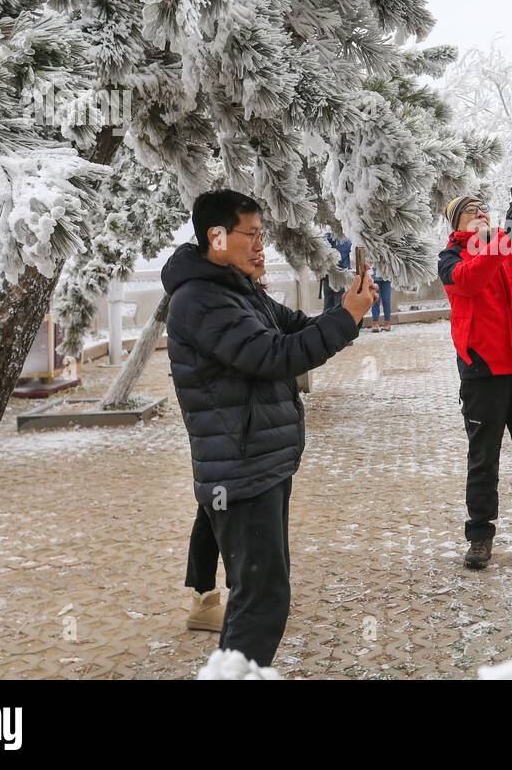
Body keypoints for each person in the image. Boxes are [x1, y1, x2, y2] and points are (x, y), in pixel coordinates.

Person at [163, 189, 376, 665]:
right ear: (216, 237)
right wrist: (347, 318)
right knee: (261, 601)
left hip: (260, 460)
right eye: (252, 235)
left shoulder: (237, 289)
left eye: (263, 235)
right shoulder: (201, 301)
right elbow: (275, 357)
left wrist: (346, 311)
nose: (261, 246)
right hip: (241, 468)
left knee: (256, 594)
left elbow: (296, 328)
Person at [439, 193, 512, 569]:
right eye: (470, 212)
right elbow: (472, 281)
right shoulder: (451, 259)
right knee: (483, 458)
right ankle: (479, 536)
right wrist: (501, 236)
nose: (479, 214)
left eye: (482, 209)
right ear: (457, 224)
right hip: (482, 373)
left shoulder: (505, 247)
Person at [321, 229, 352, 311]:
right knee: (338, 303)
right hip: (341, 276)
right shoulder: (347, 241)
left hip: (328, 275)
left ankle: (325, 322)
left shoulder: (327, 238)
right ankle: (335, 322)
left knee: (327, 303)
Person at [368, 263, 393, 331]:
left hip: (386, 276)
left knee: (386, 300)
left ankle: (387, 322)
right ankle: (375, 323)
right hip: (374, 277)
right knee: (375, 300)